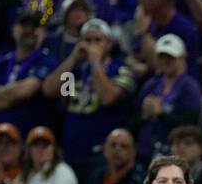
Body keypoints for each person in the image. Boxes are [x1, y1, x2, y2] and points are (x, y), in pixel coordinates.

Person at [43, 17, 137, 172]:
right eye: (87, 40)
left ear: (108, 43)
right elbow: (49, 90)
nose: (92, 44)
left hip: (100, 153)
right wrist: (72, 59)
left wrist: (95, 62)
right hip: (70, 149)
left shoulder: (119, 70)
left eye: (98, 40)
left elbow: (108, 98)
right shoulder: (76, 71)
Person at [0, 9, 58, 142]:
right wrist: (12, 98)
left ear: (44, 32)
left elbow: (24, 92)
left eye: (35, 26)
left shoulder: (48, 60)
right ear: (13, 29)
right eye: (24, 25)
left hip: (30, 142)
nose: (29, 30)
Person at [136, 33, 202, 162]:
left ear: (182, 58)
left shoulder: (189, 87)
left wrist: (161, 114)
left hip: (174, 151)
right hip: (146, 150)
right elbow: (134, 117)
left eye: (171, 57)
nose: (166, 61)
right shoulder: (151, 85)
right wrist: (144, 114)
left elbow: (191, 122)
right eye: (162, 57)